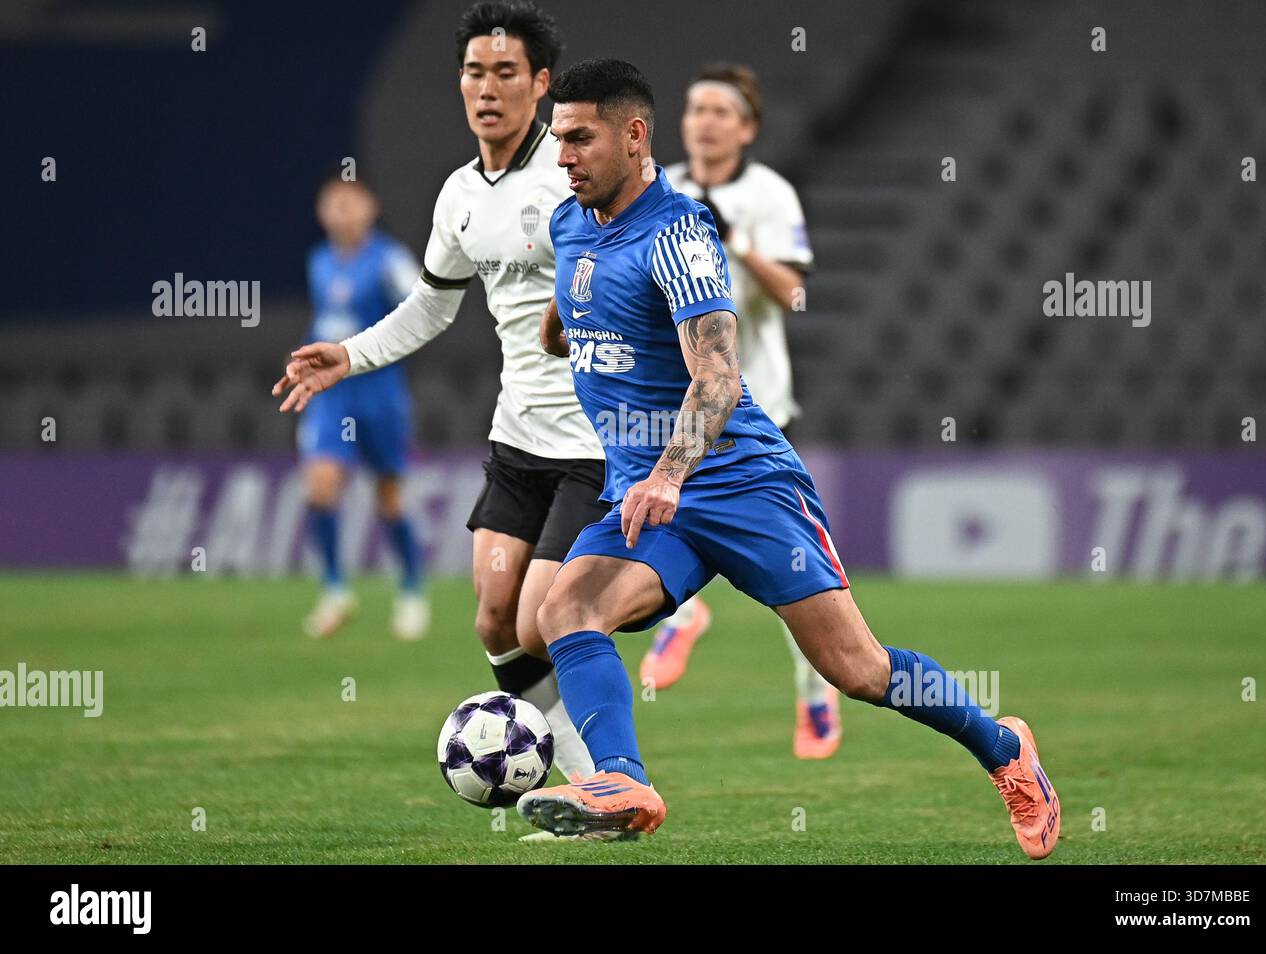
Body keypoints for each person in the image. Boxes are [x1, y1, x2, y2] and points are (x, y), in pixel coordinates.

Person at [517, 58, 1062, 860]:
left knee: (858, 669)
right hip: (648, 495)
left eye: (579, 138)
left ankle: (1005, 750)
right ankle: (622, 780)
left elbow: (719, 376)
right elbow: (577, 311)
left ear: (634, 137)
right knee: (561, 613)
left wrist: (670, 472)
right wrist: (569, 329)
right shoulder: (570, 223)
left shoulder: (677, 233)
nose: (563, 155)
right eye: (558, 139)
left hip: (739, 481)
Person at [274, 1, 604, 791]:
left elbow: (629, 269)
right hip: (518, 438)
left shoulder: (573, 175)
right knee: (494, 616)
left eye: (506, 73)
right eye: (474, 72)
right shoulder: (458, 194)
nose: (486, 89)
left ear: (541, 83)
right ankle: (585, 779)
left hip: (593, 441)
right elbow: (431, 304)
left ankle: (604, 778)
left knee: (538, 618)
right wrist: (347, 357)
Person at [641, 62, 841, 759]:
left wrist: (741, 245)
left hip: (759, 410)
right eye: (695, 108)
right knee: (659, 514)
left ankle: (815, 696)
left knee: (793, 568)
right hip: (683, 406)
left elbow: (797, 296)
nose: (704, 120)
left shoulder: (768, 194)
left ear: (747, 127)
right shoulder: (659, 189)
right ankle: (685, 614)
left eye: (721, 111)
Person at [296, 176, 429, 641]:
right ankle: (335, 588)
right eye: (333, 203)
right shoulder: (319, 263)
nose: (342, 212)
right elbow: (324, 322)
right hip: (335, 398)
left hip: (381, 397)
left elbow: (421, 309)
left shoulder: (389, 260)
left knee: (389, 497)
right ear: (321, 211)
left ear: (369, 208)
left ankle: (412, 589)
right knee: (320, 486)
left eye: (350, 203)